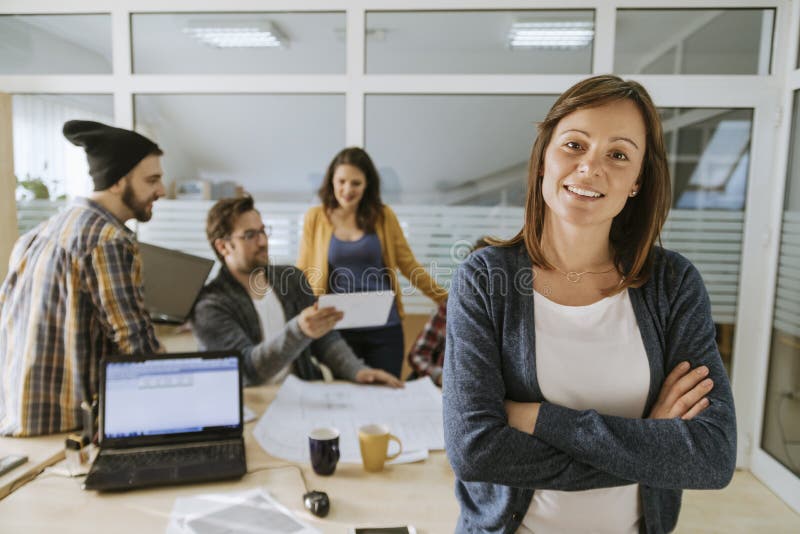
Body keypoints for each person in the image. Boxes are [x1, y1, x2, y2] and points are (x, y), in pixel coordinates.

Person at [443, 75, 736, 533]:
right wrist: (652, 446)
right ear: (544, 159)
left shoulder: (673, 284)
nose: (590, 167)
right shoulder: (486, 279)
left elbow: (712, 457)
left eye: (618, 155)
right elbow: (475, 451)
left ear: (638, 181)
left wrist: (535, 417)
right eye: (575, 145)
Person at [0, 120, 165, 436]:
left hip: (18, 422)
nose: (161, 190)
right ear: (117, 182)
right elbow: (137, 347)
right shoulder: (106, 240)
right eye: (152, 180)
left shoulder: (42, 231)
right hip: (66, 431)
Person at [191, 195, 402, 388]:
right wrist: (299, 330)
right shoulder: (209, 305)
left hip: (302, 395)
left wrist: (358, 371)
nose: (263, 242)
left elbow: (324, 339)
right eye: (250, 235)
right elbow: (247, 369)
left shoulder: (291, 279)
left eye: (263, 231)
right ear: (223, 247)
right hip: (253, 402)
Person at [297, 147, 447, 377]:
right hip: (339, 328)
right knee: (346, 400)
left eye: (356, 183)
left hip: (384, 328)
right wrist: (297, 311)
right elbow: (304, 271)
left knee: (386, 397)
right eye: (342, 181)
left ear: (367, 185)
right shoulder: (315, 217)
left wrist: (447, 299)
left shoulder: (384, 216)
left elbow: (409, 265)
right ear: (331, 181)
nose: (347, 190)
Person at [407, 237, 489, 386]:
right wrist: (440, 377)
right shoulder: (450, 305)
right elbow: (417, 355)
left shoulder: (508, 316)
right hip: (443, 391)